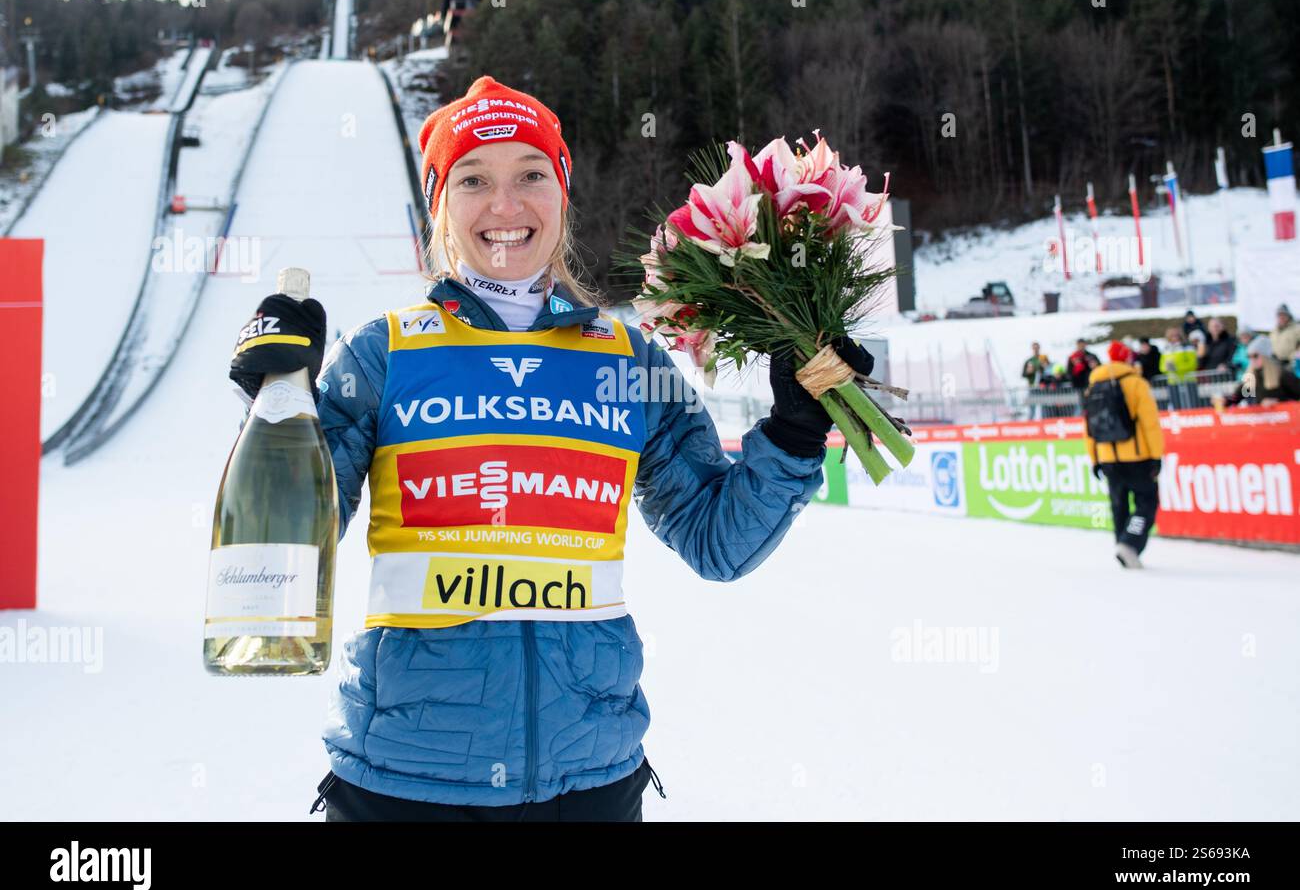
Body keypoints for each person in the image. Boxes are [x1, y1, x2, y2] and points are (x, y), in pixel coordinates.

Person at [226, 75, 877, 822]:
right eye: (474, 179)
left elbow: (717, 542)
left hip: (590, 785)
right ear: (441, 206)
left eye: (531, 175)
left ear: (562, 198)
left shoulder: (626, 361)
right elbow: (285, 547)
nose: (505, 206)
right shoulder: (385, 354)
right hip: (404, 787)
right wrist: (272, 408)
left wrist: (794, 431)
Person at [1083, 341, 1165, 569]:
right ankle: (1129, 544)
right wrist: (1156, 455)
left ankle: (1122, 544)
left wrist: (1095, 458)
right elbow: (1150, 424)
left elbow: (1088, 429)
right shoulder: (1136, 384)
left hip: (1107, 456)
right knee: (1146, 502)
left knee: (1119, 504)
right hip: (1137, 456)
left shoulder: (1093, 386)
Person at [1219, 335, 1300, 406]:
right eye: (1249, 356)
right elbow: (1237, 397)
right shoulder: (1252, 377)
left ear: (1265, 356)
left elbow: (1297, 395)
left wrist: (1279, 402)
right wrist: (1225, 400)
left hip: (1284, 420)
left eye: (1255, 356)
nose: (1252, 360)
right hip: (1263, 421)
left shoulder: (1281, 374)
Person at [1159, 326, 1198, 410]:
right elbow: (1161, 366)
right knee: (1177, 406)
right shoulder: (1166, 349)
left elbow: (1193, 364)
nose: (1174, 337)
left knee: (1192, 405)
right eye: (1172, 335)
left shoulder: (1188, 347)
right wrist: (1167, 368)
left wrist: (1176, 368)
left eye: (1176, 335)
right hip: (1173, 381)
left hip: (1188, 380)